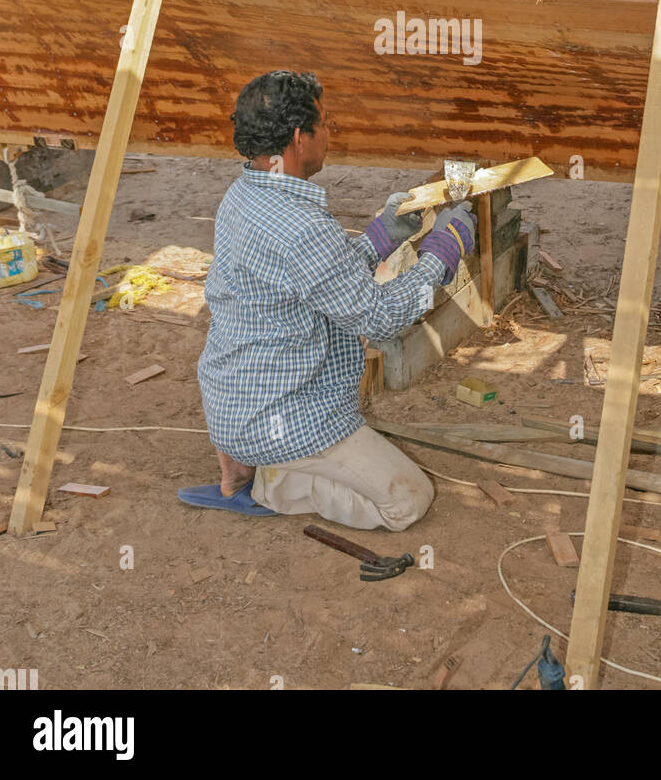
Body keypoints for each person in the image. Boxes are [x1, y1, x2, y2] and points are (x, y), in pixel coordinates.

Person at [178, 70, 474, 532]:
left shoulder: (245, 194)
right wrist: (442, 254)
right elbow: (379, 319)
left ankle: (238, 470)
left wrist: (383, 235)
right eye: (326, 122)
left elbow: (315, 278)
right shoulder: (302, 226)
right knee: (408, 501)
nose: (330, 133)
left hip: (232, 401)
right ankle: (270, 485)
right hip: (285, 416)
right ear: (300, 137)